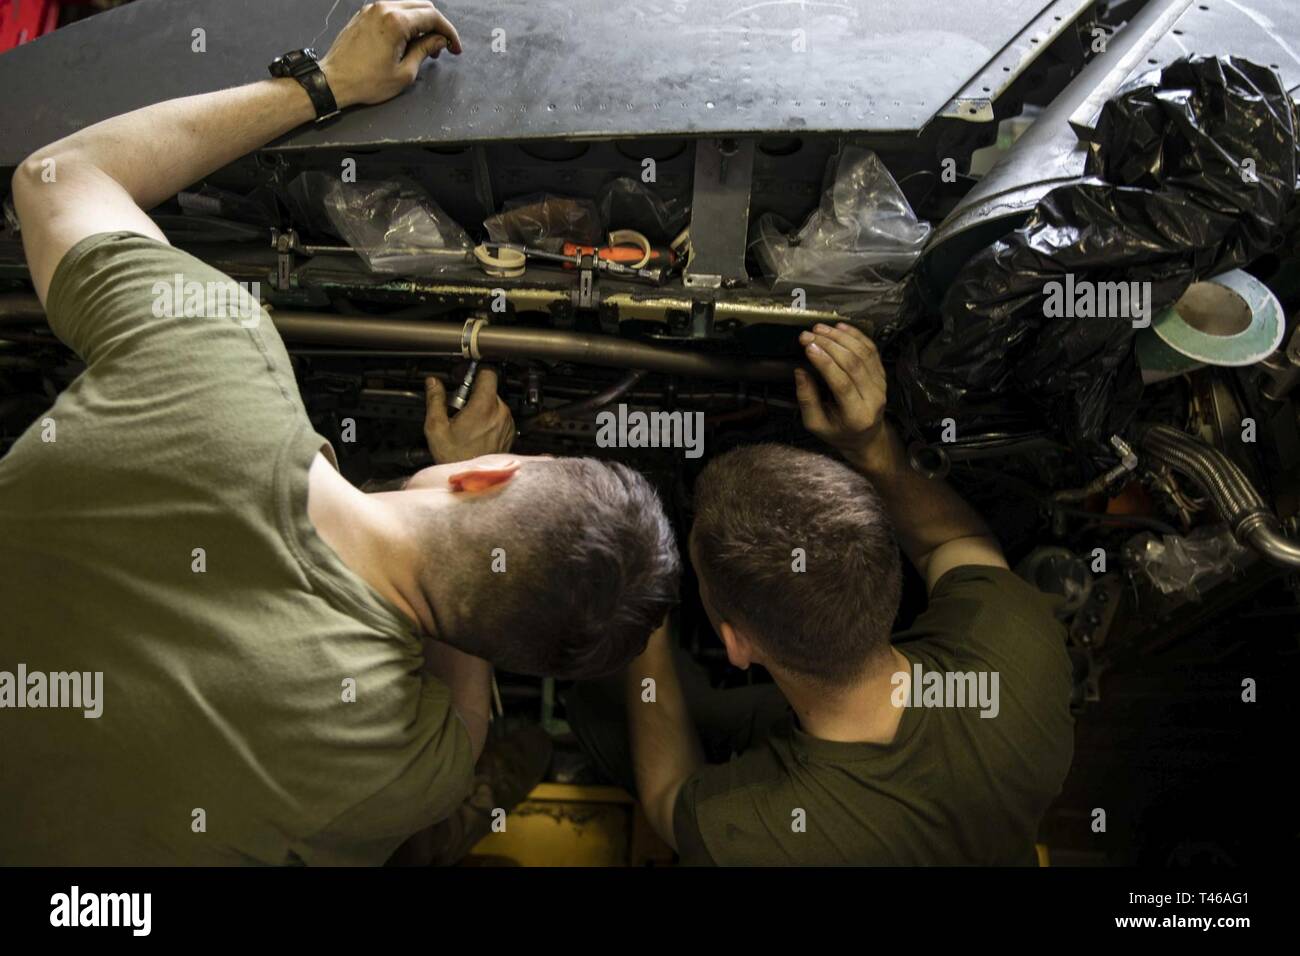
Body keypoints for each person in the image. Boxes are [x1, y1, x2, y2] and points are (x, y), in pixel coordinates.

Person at [0, 2, 677, 865]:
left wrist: (324, 85)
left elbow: (55, 178)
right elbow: (465, 722)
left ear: (485, 478)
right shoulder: (413, 768)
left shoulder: (213, 354)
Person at [570, 322, 1075, 865]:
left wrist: (647, 611)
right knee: (713, 713)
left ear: (737, 645)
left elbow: (669, 798)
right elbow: (955, 540)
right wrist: (871, 445)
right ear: (888, 576)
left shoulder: (764, 835)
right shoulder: (1017, 657)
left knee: (599, 701)